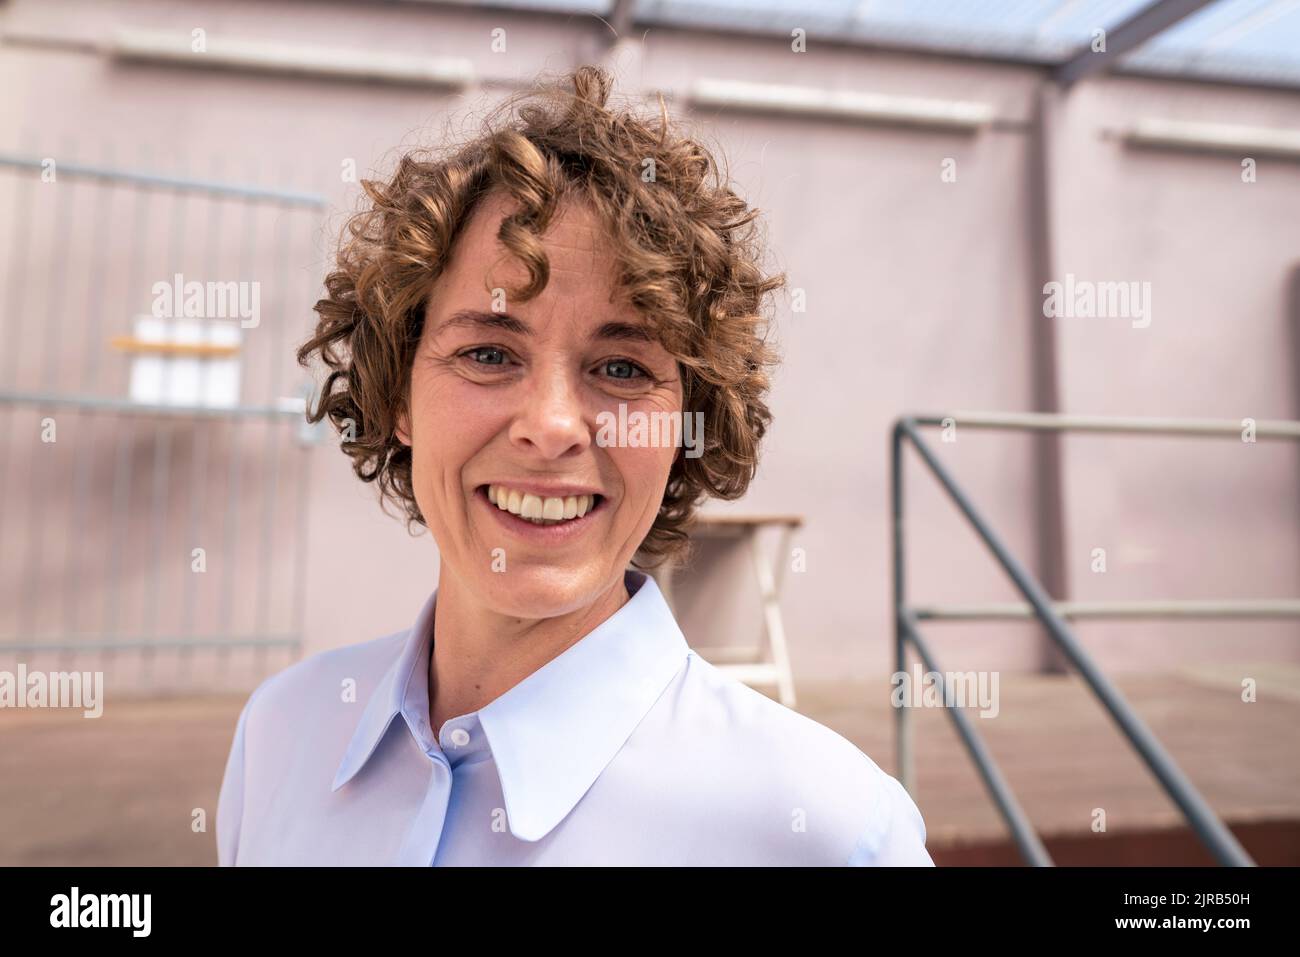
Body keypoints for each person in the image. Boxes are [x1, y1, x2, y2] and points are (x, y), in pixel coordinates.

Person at [216, 65, 932, 866]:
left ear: (690, 425)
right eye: (488, 352)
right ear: (399, 394)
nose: (553, 427)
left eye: (622, 368)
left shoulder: (830, 831)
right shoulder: (278, 735)